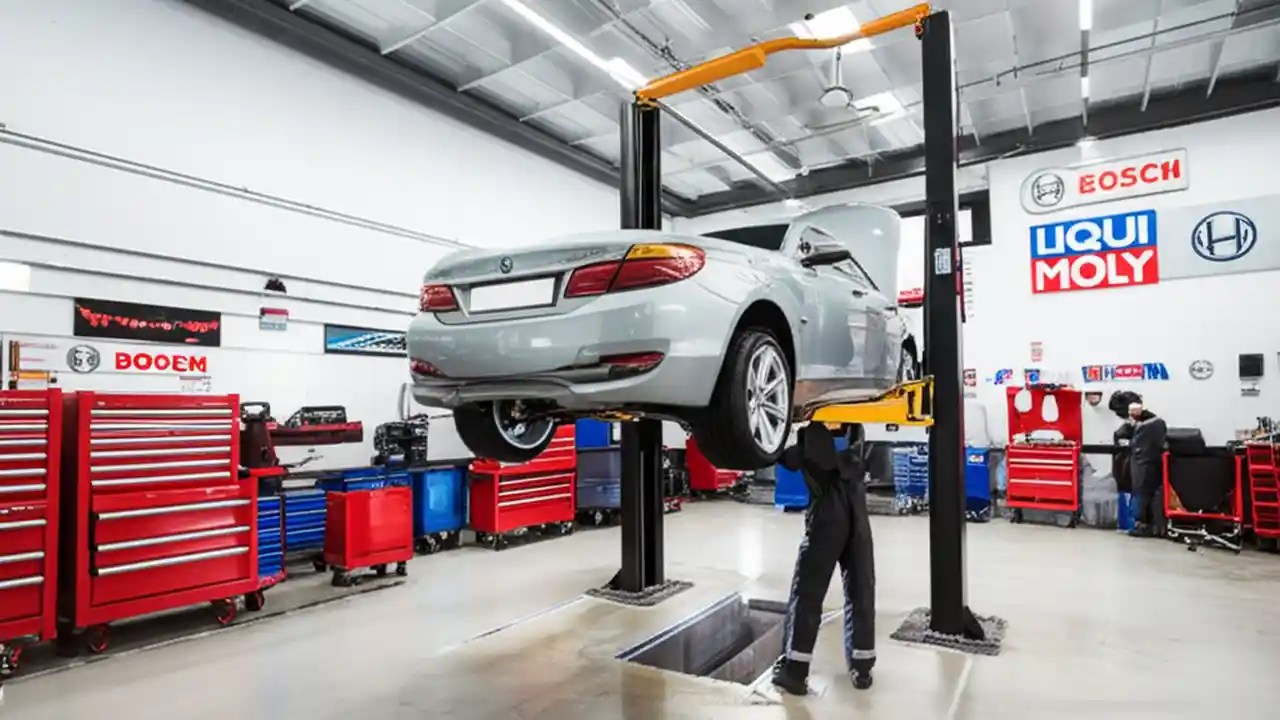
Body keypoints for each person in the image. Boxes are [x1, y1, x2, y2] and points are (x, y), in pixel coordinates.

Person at [772, 423, 876, 695]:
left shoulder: (811, 434)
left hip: (827, 519)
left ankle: (795, 670)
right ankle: (862, 668)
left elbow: (787, 458)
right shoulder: (857, 432)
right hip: (858, 518)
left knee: (807, 590)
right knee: (861, 588)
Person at [1127, 402, 1168, 537]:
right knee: (1153, 495)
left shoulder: (1142, 426)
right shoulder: (1159, 423)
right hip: (1156, 465)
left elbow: (1125, 438)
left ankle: (1141, 525)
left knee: (1141, 495)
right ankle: (1155, 526)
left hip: (1141, 465)